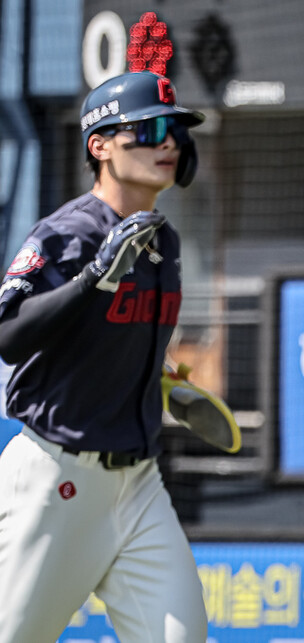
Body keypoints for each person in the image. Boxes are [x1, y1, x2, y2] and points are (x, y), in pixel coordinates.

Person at [0, 71, 208, 643]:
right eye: (150, 130)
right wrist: (92, 277)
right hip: (57, 478)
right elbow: (8, 334)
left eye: (176, 131)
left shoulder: (163, 240)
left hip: (139, 485)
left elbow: (117, 337)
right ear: (100, 146)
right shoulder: (68, 233)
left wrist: (163, 382)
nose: (169, 143)